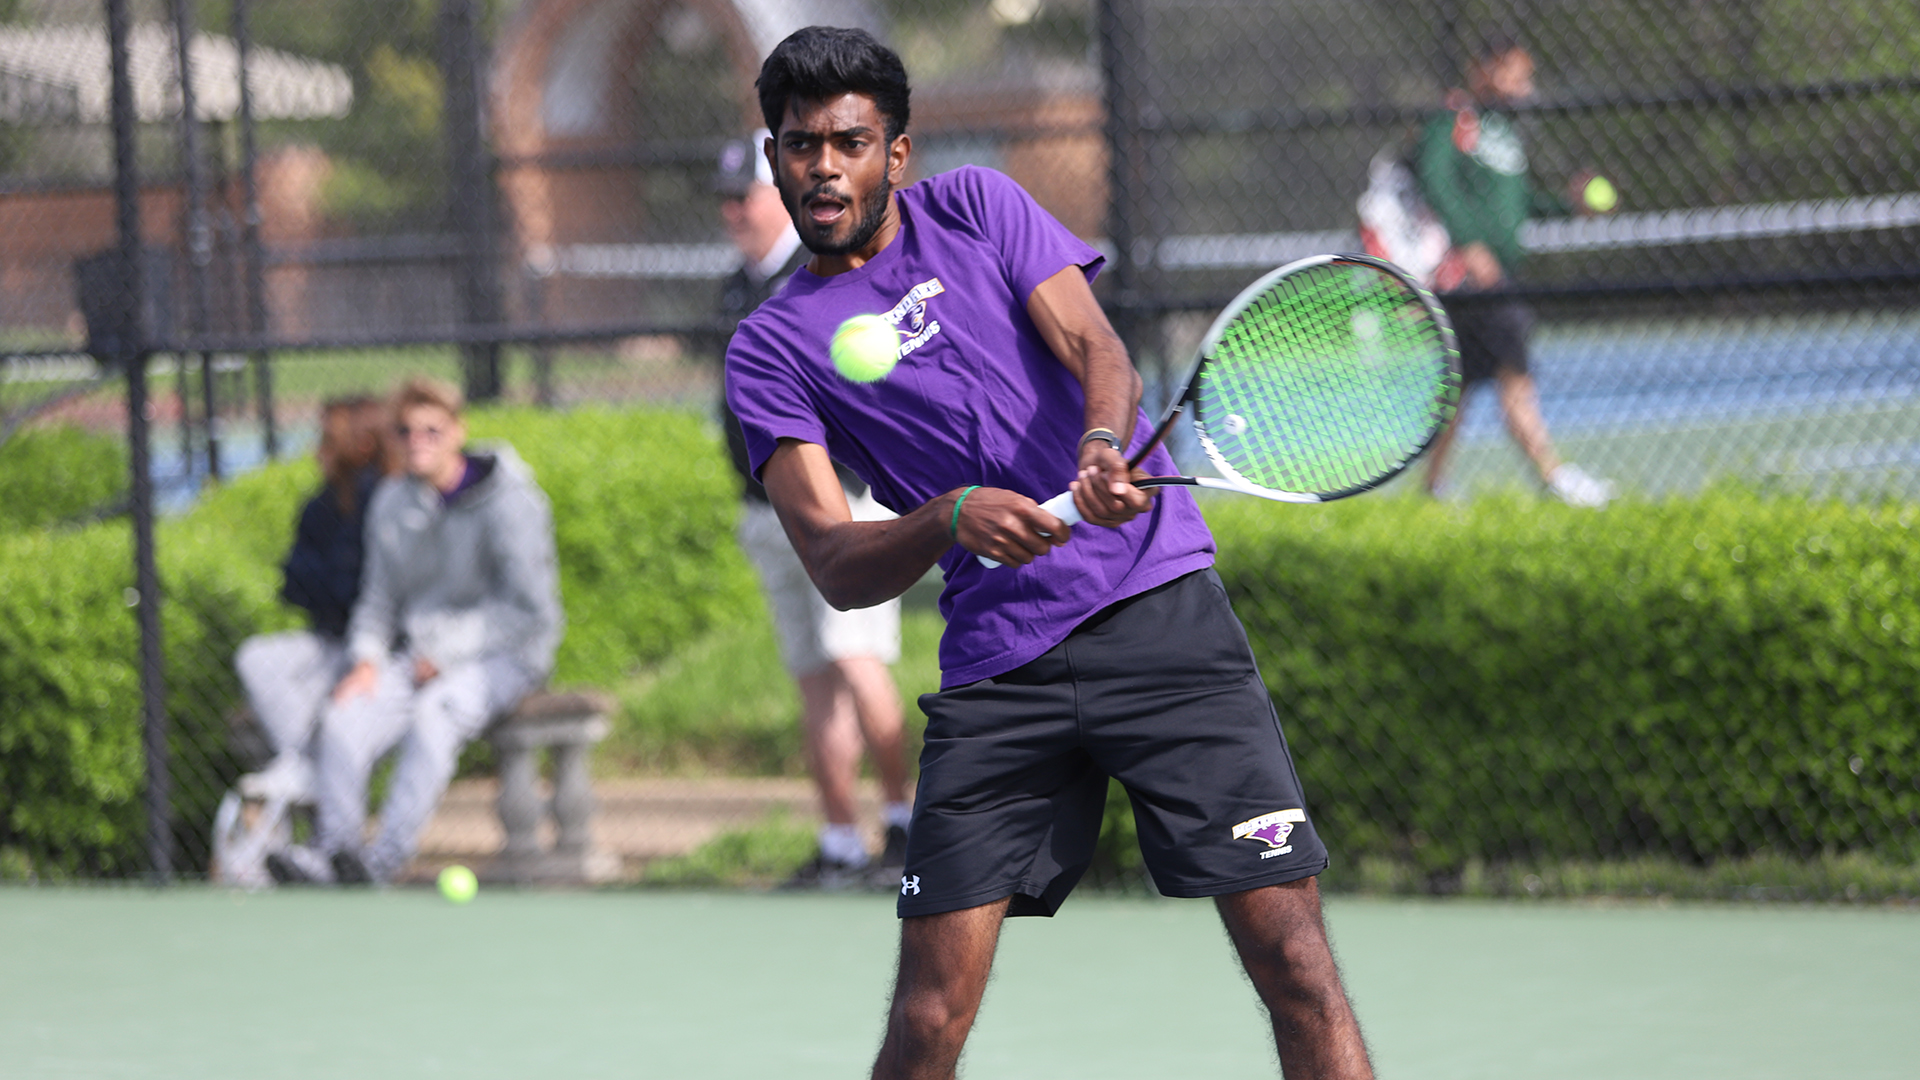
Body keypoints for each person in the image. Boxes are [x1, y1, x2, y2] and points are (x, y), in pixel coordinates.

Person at [725, 27, 1374, 1078]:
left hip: (1161, 623)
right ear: (775, 157)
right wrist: (947, 516)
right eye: (802, 146)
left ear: (896, 154)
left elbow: (1092, 344)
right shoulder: (770, 347)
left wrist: (1101, 443)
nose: (825, 168)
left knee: (1296, 962)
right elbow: (837, 565)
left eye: (850, 143)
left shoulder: (979, 207)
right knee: (928, 1018)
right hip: (1002, 671)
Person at [714, 129, 915, 889]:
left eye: (743, 196)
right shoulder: (734, 286)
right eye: (724, 200)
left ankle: (903, 826)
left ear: (779, 194)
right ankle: (839, 842)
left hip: (840, 506)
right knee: (814, 677)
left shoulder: (824, 270)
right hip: (766, 512)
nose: (733, 212)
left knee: (857, 663)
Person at [267, 377, 563, 886]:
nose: (417, 441)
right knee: (344, 716)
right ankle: (335, 854)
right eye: (404, 431)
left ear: (458, 432)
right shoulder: (391, 501)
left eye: (432, 430)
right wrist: (366, 659)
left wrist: (446, 654)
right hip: (420, 656)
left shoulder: (511, 502)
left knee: (434, 716)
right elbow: (378, 600)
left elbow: (530, 611)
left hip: (508, 655)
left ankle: (382, 861)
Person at [1416, 34, 1616, 508]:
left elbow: (1518, 203)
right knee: (1515, 375)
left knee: (1458, 386)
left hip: (1496, 274)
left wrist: (1568, 206)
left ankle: (1432, 489)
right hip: (1468, 278)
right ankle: (1554, 478)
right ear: (1483, 69)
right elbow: (1435, 180)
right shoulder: (1455, 120)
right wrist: (1469, 244)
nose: (1525, 85)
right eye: (1515, 74)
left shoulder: (1504, 131)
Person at [234, 395, 395, 790]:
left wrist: (332, 581)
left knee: (341, 713)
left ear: (363, 444)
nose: (317, 451)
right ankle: (303, 767)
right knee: (257, 658)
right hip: (333, 641)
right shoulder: (321, 507)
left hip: (388, 655)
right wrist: (332, 582)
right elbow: (297, 584)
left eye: (328, 440)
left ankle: (322, 788)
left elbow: (355, 589)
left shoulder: (392, 501)